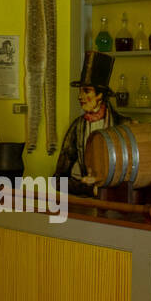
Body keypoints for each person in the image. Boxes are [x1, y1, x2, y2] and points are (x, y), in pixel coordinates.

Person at [53, 51, 131, 197]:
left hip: (115, 197)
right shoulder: (77, 127)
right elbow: (59, 177)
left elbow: (131, 171)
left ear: (100, 95)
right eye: (80, 91)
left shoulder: (123, 125)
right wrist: (84, 187)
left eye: (86, 91)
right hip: (85, 197)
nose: (80, 97)